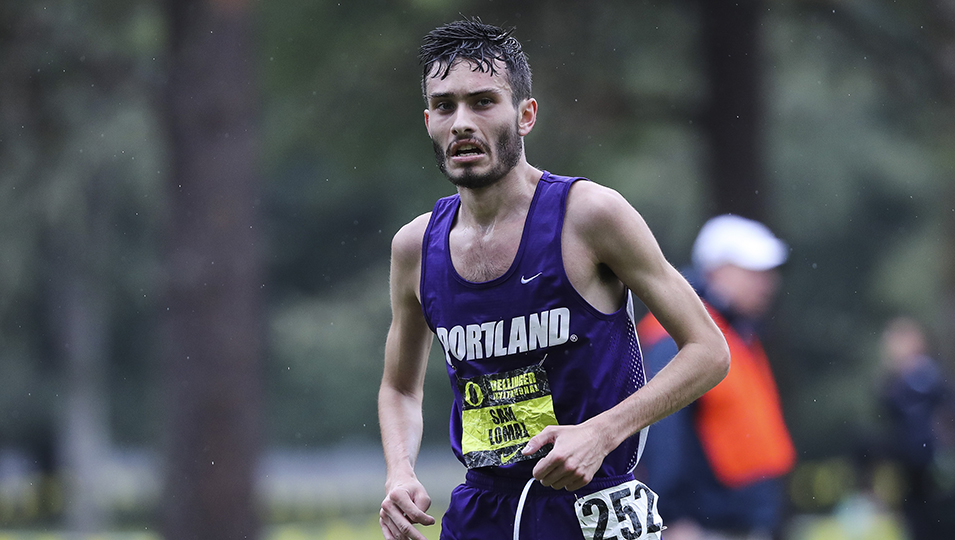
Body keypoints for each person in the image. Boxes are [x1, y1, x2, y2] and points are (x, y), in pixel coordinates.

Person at [377, 19, 730, 540]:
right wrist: (400, 470)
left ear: (525, 116)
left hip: (594, 508)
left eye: (483, 101)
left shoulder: (590, 216)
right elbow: (399, 387)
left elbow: (709, 351)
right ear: (428, 120)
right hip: (481, 513)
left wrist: (602, 432)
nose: (461, 123)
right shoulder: (415, 247)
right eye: (446, 106)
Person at [636, 215, 797, 540]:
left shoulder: (737, 332)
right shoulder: (678, 334)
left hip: (740, 522)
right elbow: (663, 434)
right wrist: (673, 517)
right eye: (754, 271)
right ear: (716, 270)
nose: (768, 283)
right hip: (703, 526)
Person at [875, 316, 950, 540]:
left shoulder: (929, 374)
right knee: (917, 519)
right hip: (909, 461)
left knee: (940, 516)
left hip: (934, 458)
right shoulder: (893, 379)